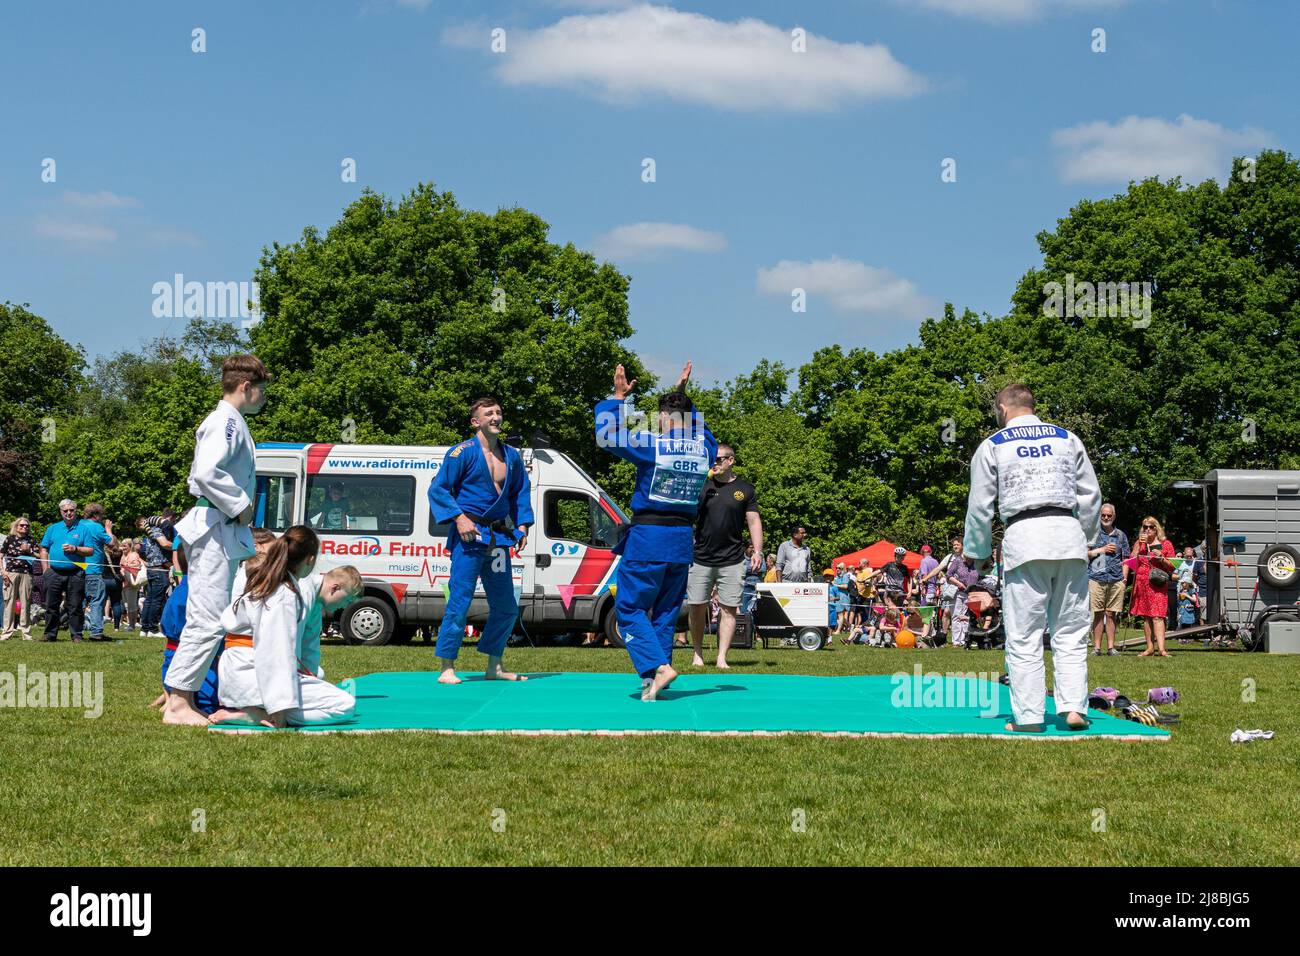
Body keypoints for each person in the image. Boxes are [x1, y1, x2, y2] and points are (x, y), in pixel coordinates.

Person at [963, 383, 1101, 733]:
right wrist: (1087, 539)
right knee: (1070, 631)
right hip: (1068, 534)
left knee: (1025, 634)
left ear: (1003, 409)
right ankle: (1073, 709)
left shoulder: (993, 445)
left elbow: (980, 506)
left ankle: (1029, 718)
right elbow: (1090, 495)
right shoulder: (1067, 439)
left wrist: (977, 553)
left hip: (1025, 537)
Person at [595, 361, 717, 700]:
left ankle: (659, 668)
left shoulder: (654, 446)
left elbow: (606, 435)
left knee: (630, 609)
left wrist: (619, 397)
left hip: (649, 538)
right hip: (681, 542)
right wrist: (681, 396)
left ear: (663, 419)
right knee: (664, 613)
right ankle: (653, 679)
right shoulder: (704, 450)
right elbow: (701, 430)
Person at [164, 354, 269, 727]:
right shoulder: (225, 420)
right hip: (215, 525)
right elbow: (208, 471)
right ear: (246, 387)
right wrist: (240, 505)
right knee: (208, 620)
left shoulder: (229, 420)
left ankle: (179, 699)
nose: (263, 398)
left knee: (208, 617)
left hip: (218, 526)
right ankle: (178, 703)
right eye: (262, 390)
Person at [427, 396, 533, 684]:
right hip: (470, 536)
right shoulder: (461, 453)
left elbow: (520, 493)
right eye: (489, 413)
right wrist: (459, 519)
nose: (496, 416)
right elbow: (438, 490)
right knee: (459, 601)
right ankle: (446, 667)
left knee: (507, 606)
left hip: (498, 538)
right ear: (476, 421)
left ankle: (494, 666)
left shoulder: (511, 456)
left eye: (499, 412)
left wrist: (523, 526)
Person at [211, 527, 358, 727]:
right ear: (311, 559)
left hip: (243, 669)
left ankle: (257, 710)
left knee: (319, 679)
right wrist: (279, 706)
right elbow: (277, 651)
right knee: (344, 705)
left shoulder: (278, 582)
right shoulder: (284, 593)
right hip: (252, 671)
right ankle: (260, 715)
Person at [686, 441, 763, 669]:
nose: (715, 463)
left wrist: (757, 551)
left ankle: (722, 658)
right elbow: (687, 515)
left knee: (729, 608)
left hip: (732, 559)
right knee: (697, 606)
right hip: (700, 557)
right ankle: (697, 654)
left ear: (731, 461)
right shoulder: (703, 486)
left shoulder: (745, 489)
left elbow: (753, 521)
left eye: (719, 459)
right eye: (713, 459)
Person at [39, 499, 91, 643]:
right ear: (61, 512)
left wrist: (76, 549)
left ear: (76, 511)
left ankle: (76, 635)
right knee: (51, 605)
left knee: (75, 606)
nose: (68, 513)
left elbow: (90, 550)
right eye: (65, 511)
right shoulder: (52, 528)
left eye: (71, 510)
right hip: (54, 572)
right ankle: (49, 634)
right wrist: (46, 569)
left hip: (76, 572)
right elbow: (44, 549)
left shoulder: (83, 529)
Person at [1087, 503, 1130, 656]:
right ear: (1100, 516)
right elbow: (1085, 554)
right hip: (1096, 578)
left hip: (1116, 578)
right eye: (1103, 515)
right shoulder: (1093, 534)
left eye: (1109, 515)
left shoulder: (1120, 535)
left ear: (1114, 516)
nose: (1106, 517)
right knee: (1098, 613)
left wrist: (1124, 579)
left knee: (1112, 614)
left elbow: (1126, 559)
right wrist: (1102, 550)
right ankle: (1097, 648)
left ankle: (1111, 648)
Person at [1130, 516, 1175, 657]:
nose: (1147, 529)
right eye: (1145, 527)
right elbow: (1131, 563)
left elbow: (1173, 566)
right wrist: (1138, 547)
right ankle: (1149, 648)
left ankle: (1161, 649)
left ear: (1156, 528)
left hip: (1158, 584)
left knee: (1158, 616)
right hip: (1142, 583)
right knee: (1146, 617)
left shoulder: (1165, 544)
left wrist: (1161, 557)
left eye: (1151, 527)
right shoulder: (1140, 543)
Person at [79, 503, 116, 641]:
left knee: (79, 602)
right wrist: (108, 529)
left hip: (78, 570)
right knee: (97, 601)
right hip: (93, 570)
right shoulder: (97, 527)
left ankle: (77, 632)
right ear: (96, 515)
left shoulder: (78, 525)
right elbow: (112, 543)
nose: (102, 518)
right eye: (101, 515)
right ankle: (96, 632)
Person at [136, 516, 175, 637]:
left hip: (152, 569)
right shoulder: (156, 530)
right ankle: (153, 629)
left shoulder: (146, 538)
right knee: (156, 600)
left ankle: (145, 629)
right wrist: (180, 546)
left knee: (150, 600)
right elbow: (164, 544)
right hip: (160, 570)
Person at [2, 517, 38, 641]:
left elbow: (39, 556)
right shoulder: (9, 539)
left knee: (26, 603)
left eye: (27, 526)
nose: (24, 527)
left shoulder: (31, 540)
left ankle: (26, 633)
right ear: (16, 527)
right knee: (9, 602)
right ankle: (7, 632)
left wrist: (29, 551)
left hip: (27, 573)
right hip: (11, 573)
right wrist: (3, 571)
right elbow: (1, 555)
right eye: (22, 525)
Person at [119, 539, 143, 632]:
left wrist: (126, 566)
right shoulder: (123, 555)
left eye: (125, 546)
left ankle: (132, 625)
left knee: (132, 605)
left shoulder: (134, 555)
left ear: (130, 546)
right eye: (122, 545)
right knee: (127, 605)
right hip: (124, 583)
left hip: (132, 583)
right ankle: (130, 624)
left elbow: (138, 566)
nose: (123, 547)